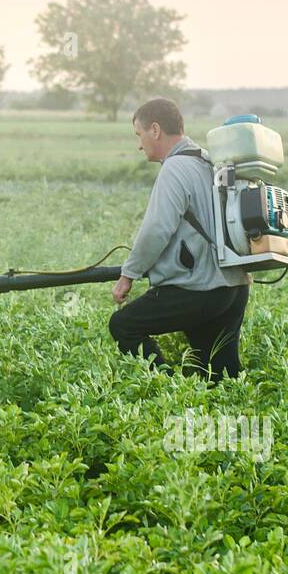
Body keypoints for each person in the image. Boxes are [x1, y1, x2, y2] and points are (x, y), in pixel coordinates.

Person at [108, 98, 251, 381]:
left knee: (124, 325)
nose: (139, 145)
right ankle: (234, 417)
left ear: (156, 130)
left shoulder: (174, 169)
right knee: (219, 374)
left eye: (139, 135)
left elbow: (157, 229)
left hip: (199, 289)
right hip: (234, 286)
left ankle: (165, 387)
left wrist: (128, 275)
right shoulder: (209, 159)